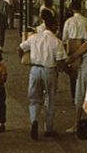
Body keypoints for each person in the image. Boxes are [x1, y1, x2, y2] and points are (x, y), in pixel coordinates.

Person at [18, 12, 67, 140]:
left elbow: (21, 48)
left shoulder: (34, 37)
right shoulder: (57, 42)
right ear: (54, 26)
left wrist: (25, 59)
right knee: (50, 99)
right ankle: (48, 129)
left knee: (34, 98)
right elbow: (61, 63)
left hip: (34, 69)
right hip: (49, 70)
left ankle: (34, 120)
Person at [66, 20, 87, 134]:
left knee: (79, 96)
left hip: (86, 70)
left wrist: (63, 61)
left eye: (86, 28)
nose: (85, 30)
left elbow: (75, 56)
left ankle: (77, 124)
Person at [62, 0, 87, 101]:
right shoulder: (86, 20)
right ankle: (85, 95)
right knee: (84, 72)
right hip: (85, 46)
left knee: (73, 73)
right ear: (80, 8)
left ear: (72, 9)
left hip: (73, 48)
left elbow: (64, 38)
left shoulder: (69, 22)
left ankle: (75, 95)